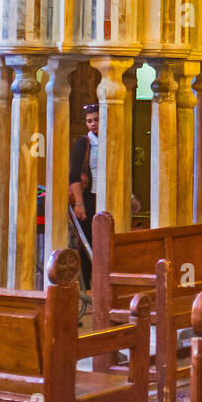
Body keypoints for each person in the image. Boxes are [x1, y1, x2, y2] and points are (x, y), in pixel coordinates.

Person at [68, 103, 139, 288]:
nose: (93, 124)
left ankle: (110, 283)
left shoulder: (113, 141)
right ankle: (91, 287)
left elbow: (120, 171)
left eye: (96, 120)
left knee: (111, 240)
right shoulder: (84, 142)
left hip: (111, 197)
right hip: (89, 198)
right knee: (89, 244)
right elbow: (74, 175)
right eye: (89, 121)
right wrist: (79, 204)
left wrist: (130, 196)